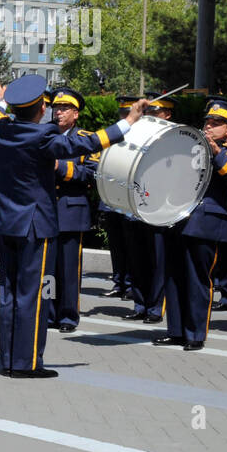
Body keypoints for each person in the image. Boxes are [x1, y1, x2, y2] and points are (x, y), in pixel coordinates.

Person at [0, 75, 146, 378]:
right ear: (40, 109)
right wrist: (128, 122)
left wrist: (3, 99)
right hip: (35, 225)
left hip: (6, 223)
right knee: (32, 296)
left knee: (9, 293)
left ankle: (7, 359)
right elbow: (85, 142)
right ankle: (27, 363)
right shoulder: (42, 136)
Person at [152, 98, 227, 351]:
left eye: (217, 123)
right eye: (208, 120)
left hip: (207, 222)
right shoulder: (190, 146)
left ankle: (195, 334)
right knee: (174, 276)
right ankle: (175, 331)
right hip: (177, 218)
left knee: (197, 279)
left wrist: (216, 152)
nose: (209, 125)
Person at [121, 92, 175, 324]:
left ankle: (156, 307)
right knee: (138, 259)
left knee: (159, 260)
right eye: (149, 111)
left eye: (156, 111)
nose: (150, 115)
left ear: (167, 114)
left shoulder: (175, 137)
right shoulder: (138, 133)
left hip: (160, 207)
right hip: (136, 204)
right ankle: (141, 303)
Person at [48, 87, 99, 334]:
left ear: (76, 114)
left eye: (64, 108)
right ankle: (48, 312)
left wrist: (60, 167)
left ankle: (68, 315)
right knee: (46, 270)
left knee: (68, 270)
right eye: (56, 108)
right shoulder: (44, 135)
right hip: (45, 210)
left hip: (70, 210)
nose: (58, 112)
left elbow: (91, 174)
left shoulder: (86, 139)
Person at [101, 96, 139, 300]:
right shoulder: (113, 134)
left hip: (131, 199)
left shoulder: (141, 136)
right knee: (116, 245)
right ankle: (119, 282)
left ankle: (132, 283)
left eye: (128, 113)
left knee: (132, 246)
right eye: (122, 113)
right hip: (112, 198)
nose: (124, 117)